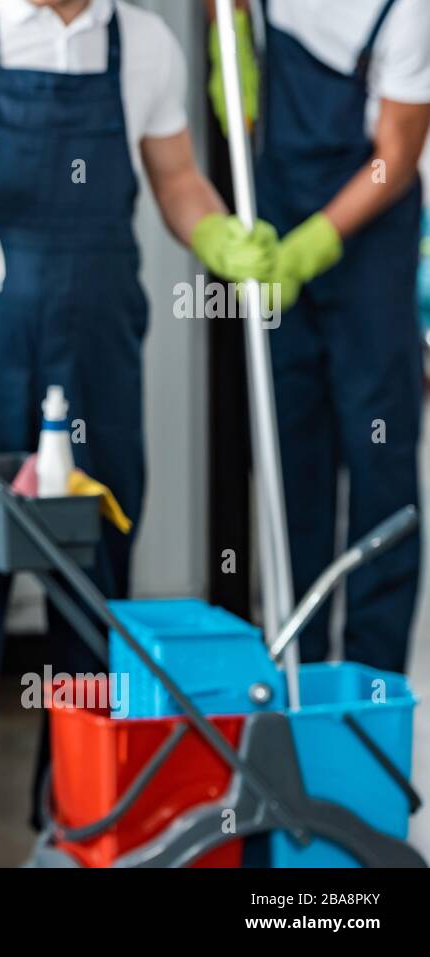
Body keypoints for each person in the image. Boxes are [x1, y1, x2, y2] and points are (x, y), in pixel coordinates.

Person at [0, 0, 276, 867]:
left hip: (98, 356)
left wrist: (218, 234)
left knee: (93, 608)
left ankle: (81, 836)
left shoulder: (142, 43)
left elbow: (177, 179)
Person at [211, 0, 430, 670]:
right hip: (278, 221)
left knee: (378, 466)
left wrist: (314, 245)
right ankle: (294, 671)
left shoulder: (407, 10)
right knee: (287, 463)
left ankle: (367, 695)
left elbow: (397, 154)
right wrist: (232, 70)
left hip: (368, 253)